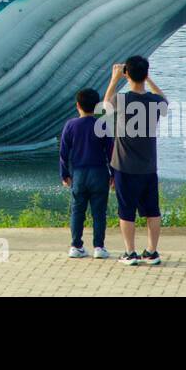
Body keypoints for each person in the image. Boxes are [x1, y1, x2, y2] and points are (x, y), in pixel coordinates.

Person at [103, 56, 168, 266]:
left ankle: (130, 253)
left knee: (126, 210)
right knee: (152, 210)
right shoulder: (154, 102)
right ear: (145, 73)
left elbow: (104, 106)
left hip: (124, 166)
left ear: (126, 74)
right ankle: (152, 251)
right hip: (149, 166)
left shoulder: (122, 100)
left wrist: (114, 79)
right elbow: (165, 100)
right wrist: (149, 80)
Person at [59, 87, 113, 260]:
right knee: (99, 212)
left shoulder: (70, 125)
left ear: (77, 106)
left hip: (79, 173)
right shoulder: (102, 124)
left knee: (77, 211)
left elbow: (64, 152)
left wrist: (64, 174)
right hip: (99, 172)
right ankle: (99, 247)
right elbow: (111, 151)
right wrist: (114, 175)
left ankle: (76, 246)